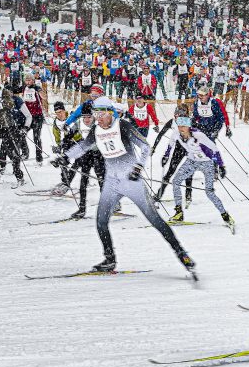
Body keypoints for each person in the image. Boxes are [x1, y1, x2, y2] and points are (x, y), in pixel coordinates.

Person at [54, 97, 196, 274]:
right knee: (101, 221)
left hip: (131, 181)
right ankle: (109, 259)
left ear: (110, 112)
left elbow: (145, 146)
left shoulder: (122, 126)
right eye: (95, 114)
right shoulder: (96, 130)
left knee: (155, 219)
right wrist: (66, 157)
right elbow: (83, 146)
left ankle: (181, 253)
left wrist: (138, 166)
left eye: (101, 114)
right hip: (112, 183)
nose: (98, 118)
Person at [165, 115, 232, 230]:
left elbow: (215, 149)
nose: (181, 129)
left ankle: (225, 215)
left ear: (189, 126)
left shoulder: (199, 135)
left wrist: (221, 166)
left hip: (207, 163)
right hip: (191, 161)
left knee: (209, 192)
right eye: (179, 126)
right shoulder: (176, 133)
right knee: (176, 181)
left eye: (184, 126)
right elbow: (170, 145)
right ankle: (179, 213)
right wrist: (166, 156)